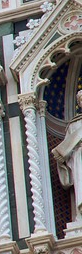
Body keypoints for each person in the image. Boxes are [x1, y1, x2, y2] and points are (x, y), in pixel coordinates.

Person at [53, 90, 82, 219]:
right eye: (81, 100)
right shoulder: (74, 125)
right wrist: (61, 159)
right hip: (79, 157)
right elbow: (66, 150)